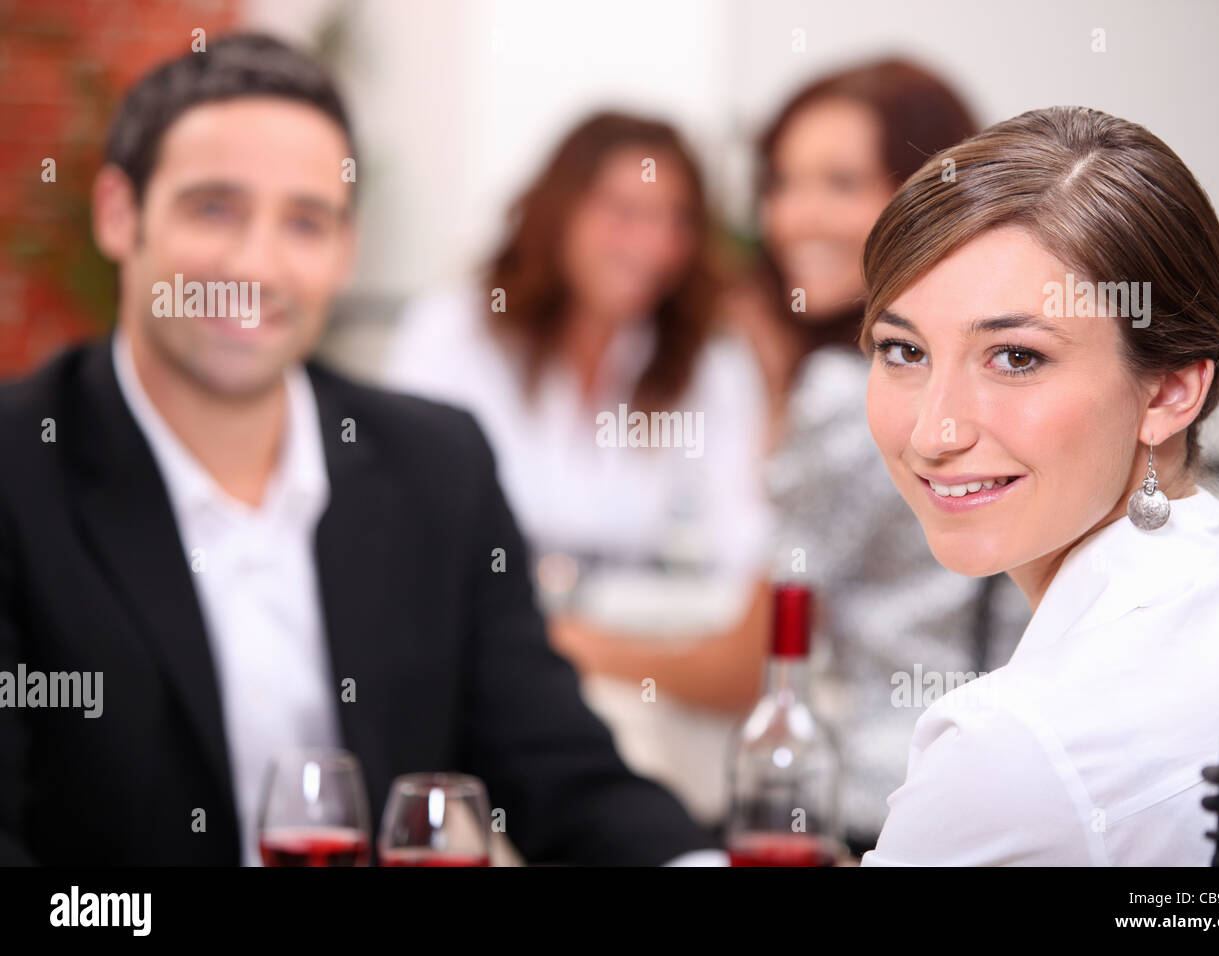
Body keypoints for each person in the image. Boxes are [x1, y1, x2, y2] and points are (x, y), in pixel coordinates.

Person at [0, 32, 719, 867]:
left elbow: (560, 771)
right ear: (120, 215)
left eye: (304, 222)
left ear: (346, 249)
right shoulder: (19, 468)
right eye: (214, 209)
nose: (256, 266)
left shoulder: (437, 466)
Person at [857, 105, 1219, 865]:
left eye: (1016, 358)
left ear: (1167, 393)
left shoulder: (1009, 750)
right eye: (903, 350)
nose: (935, 433)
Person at [383, 112, 773, 713]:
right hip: (472, 662)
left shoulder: (709, 369)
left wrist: (602, 649)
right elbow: (405, 535)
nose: (653, 246)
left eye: (675, 220)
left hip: (640, 677)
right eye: (624, 214)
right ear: (559, 213)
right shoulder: (453, 335)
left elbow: (745, 556)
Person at [741, 58, 1032, 854]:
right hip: (1010, 770)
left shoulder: (845, 390)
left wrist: (575, 640)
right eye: (782, 182)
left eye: (841, 183)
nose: (797, 217)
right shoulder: (1008, 362)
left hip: (882, 792)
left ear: (929, 195)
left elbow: (762, 651)